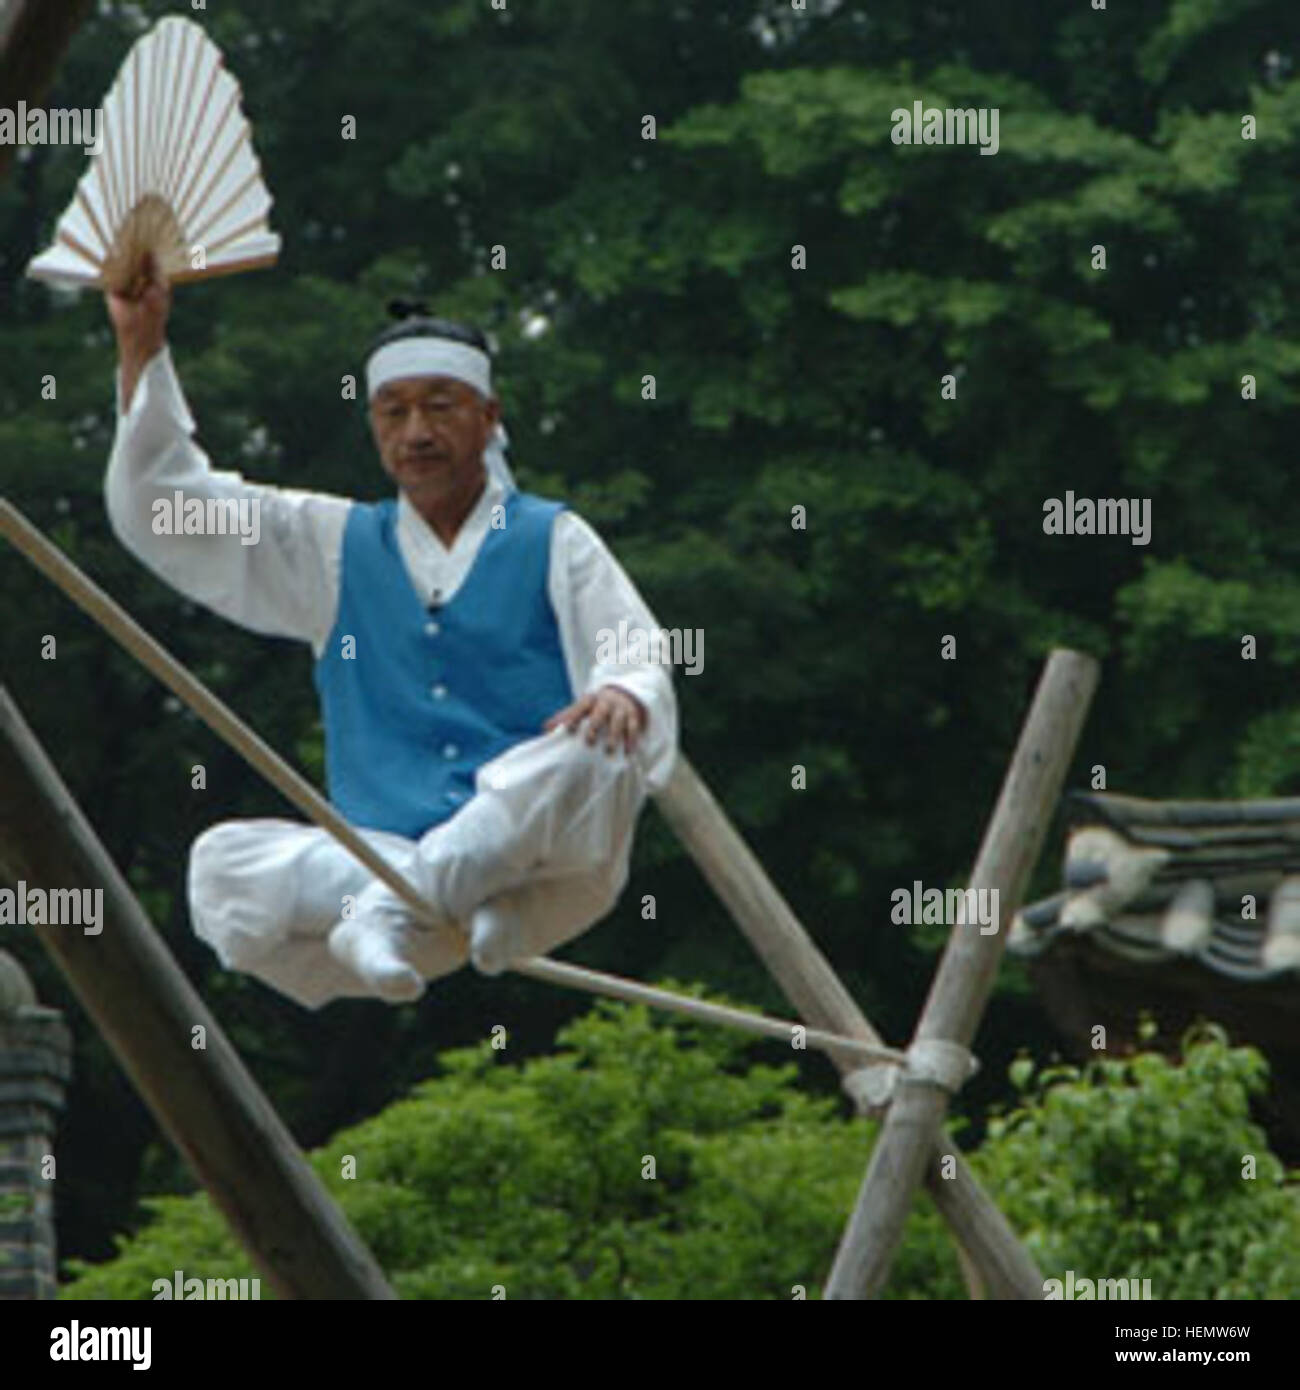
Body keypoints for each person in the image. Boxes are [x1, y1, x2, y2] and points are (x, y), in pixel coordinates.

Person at [103, 267, 677, 1007]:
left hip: (539, 859)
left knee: (596, 753)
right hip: (384, 858)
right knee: (221, 865)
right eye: (394, 410)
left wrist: (622, 691)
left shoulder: (550, 536)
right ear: (373, 423)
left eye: (441, 407)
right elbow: (166, 509)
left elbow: (634, 650)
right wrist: (140, 341)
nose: (417, 433)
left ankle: (406, 908)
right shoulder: (333, 543)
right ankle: (442, 907)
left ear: (488, 416)